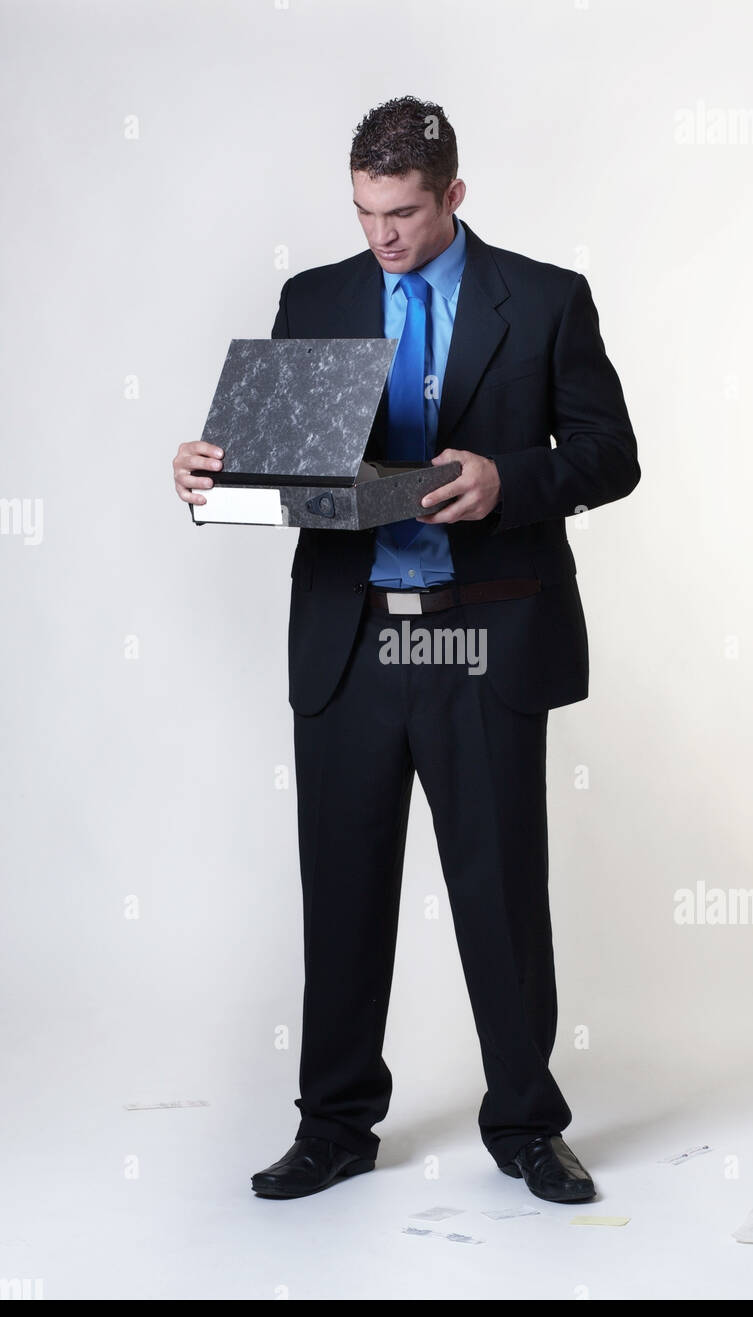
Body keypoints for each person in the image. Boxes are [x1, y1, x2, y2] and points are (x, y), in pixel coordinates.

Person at [172, 96, 640, 1204]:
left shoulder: (544, 298)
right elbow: (273, 473)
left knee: (499, 894)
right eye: (365, 211)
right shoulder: (316, 297)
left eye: (404, 212)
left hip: (484, 635)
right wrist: (206, 470)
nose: (382, 237)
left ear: (453, 196)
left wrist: (507, 481)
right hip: (351, 638)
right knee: (340, 891)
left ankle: (526, 1125)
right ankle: (333, 1126)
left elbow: (611, 453)